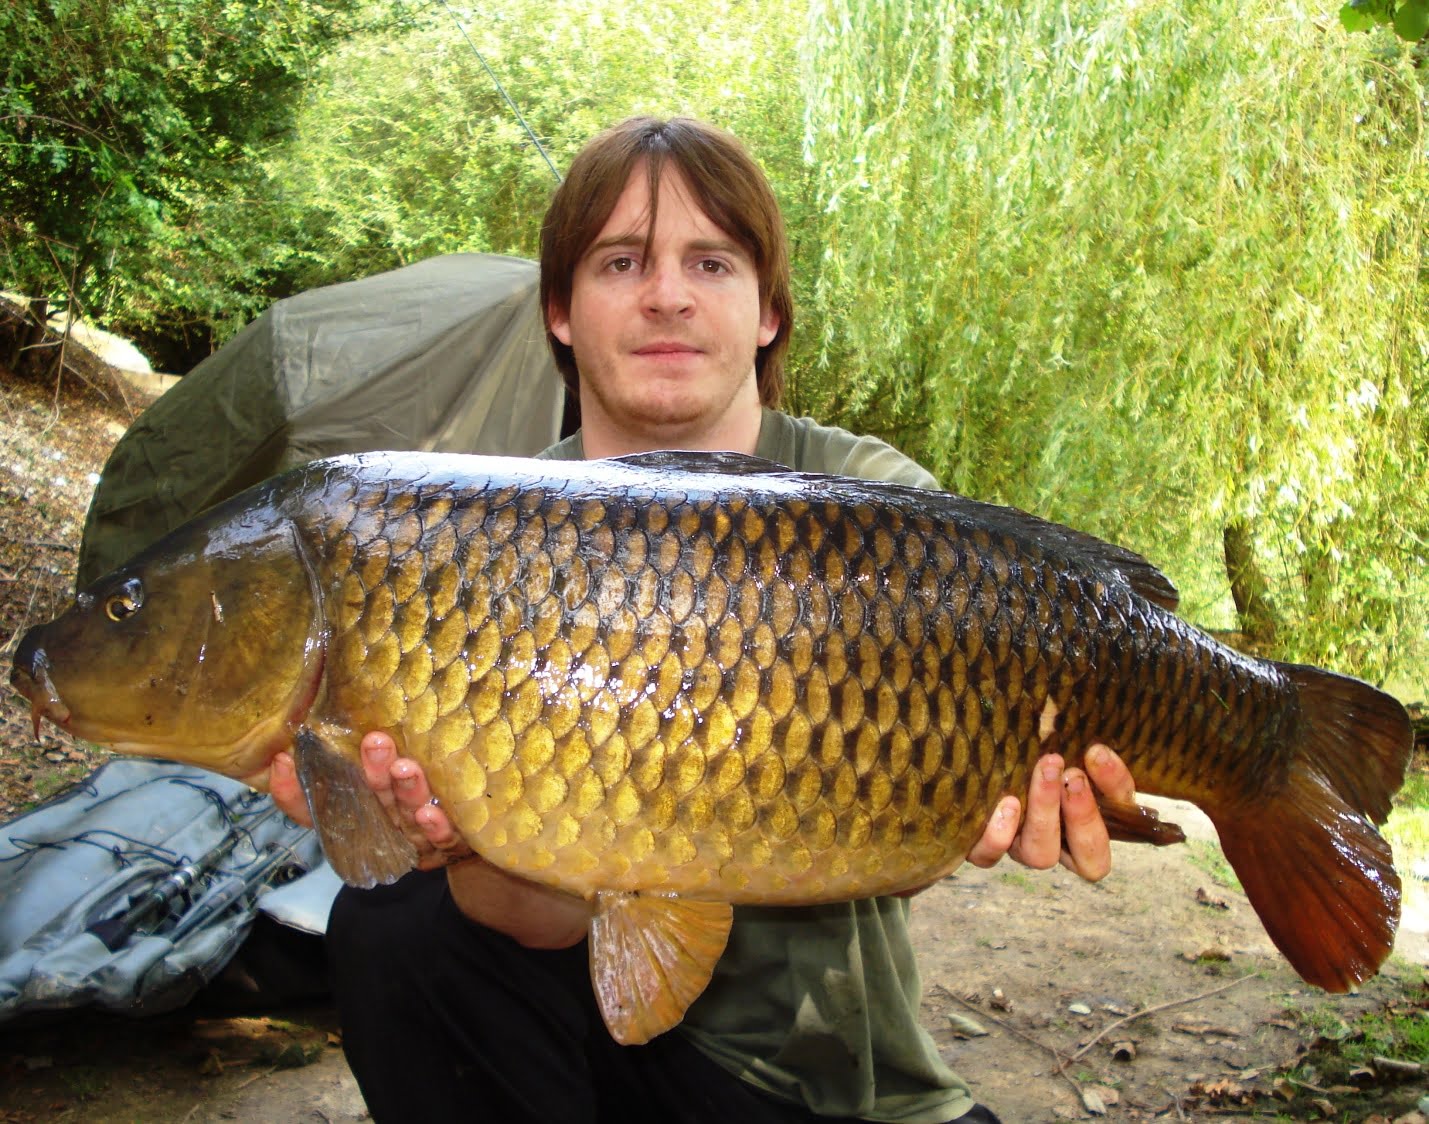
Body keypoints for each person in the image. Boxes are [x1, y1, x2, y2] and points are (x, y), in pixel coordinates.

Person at [267, 116, 1137, 1122]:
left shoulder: (874, 502)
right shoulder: (479, 526)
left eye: (711, 261)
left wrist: (984, 794)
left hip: (811, 1073)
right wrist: (468, 837)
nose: (667, 294)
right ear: (558, 308)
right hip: (572, 1008)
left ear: (768, 308)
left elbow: (891, 837)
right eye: (621, 260)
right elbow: (534, 919)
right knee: (394, 925)